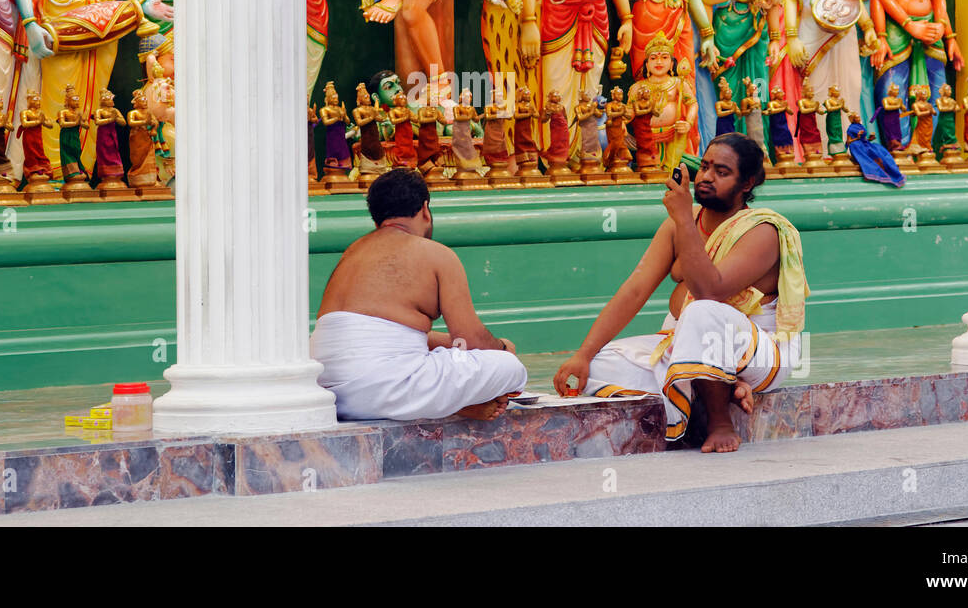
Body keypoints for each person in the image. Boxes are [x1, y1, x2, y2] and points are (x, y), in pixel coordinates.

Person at [553, 133, 808, 452]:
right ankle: (718, 388)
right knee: (600, 365)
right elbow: (634, 291)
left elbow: (708, 291)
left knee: (700, 312)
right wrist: (583, 354)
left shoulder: (761, 231)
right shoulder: (679, 224)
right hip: (686, 345)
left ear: (748, 183)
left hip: (760, 353)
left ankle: (719, 422)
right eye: (705, 166)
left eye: (722, 172)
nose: (707, 177)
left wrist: (684, 219)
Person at [311, 169, 527, 421]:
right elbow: (469, 338)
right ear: (425, 209)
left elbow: (385, 334)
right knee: (510, 369)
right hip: (382, 391)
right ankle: (458, 404)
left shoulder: (351, 253)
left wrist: (447, 344)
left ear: (376, 218)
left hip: (330, 394)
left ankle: (451, 404)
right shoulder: (436, 253)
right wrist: (502, 349)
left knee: (436, 357)